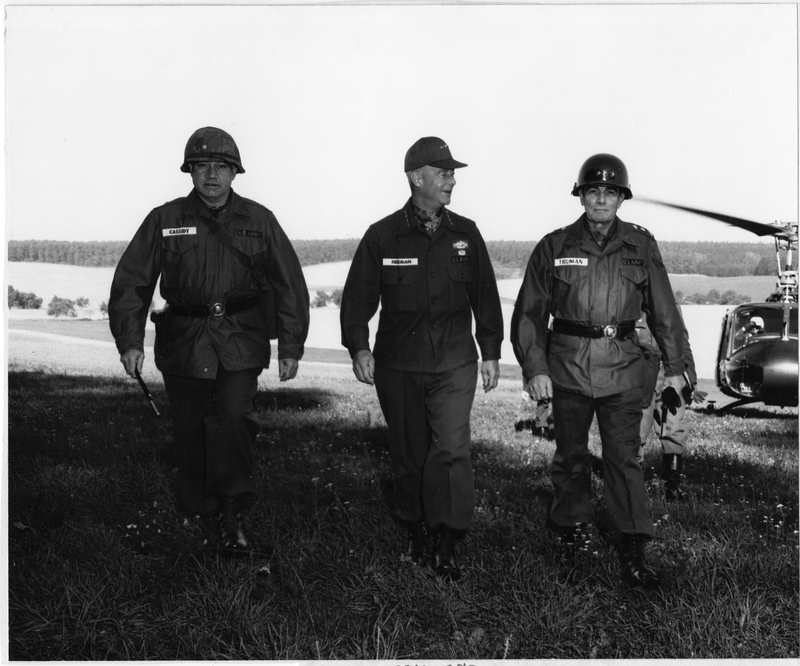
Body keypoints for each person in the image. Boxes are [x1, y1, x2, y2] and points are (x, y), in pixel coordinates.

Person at [109, 127, 310, 554]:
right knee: (192, 429)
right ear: (191, 173)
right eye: (202, 167)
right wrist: (130, 340)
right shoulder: (164, 219)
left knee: (235, 420)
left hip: (240, 339)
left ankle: (233, 512)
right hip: (184, 341)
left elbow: (290, 284)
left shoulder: (260, 220)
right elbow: (132, 282)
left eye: (220, 167)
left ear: (235, 172)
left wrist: (291, 346)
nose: (211, 175)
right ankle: (204, 511)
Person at [511, 153, 686, 587]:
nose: (601, 199)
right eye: (594, 191)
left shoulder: (641, 246)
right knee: (570, 456)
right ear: (582, 196)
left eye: (610, 192)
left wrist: (678, 365)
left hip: (624, 368)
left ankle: (631, 544)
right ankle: (572, 532)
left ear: (621, 199)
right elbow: (529, 314)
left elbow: (663, 310)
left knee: (624, 458)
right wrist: (535, 368)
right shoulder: (555, 246)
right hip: (567, 367)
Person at [340, 137, 503, 581]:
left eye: (452, 173)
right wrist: (358, 346)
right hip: (399, 364)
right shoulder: (383, 235)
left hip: (454, 361)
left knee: (451, 449)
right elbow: (357, 300)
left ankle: (448, 539)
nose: (452, 180)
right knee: (409, 453)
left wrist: (491, 352)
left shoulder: (466, 233)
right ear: (417, 177)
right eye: (444, 172)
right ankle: (416, 530)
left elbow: (486, 297)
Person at [636, 312, 707, 501]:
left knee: (674, 428)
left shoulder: (670, 305)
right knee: (636, 429)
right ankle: (631, 487)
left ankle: (673, 488)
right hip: (639, 374)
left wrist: (691, 381)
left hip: (670, 374)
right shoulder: (630, 300)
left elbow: (683, 343)